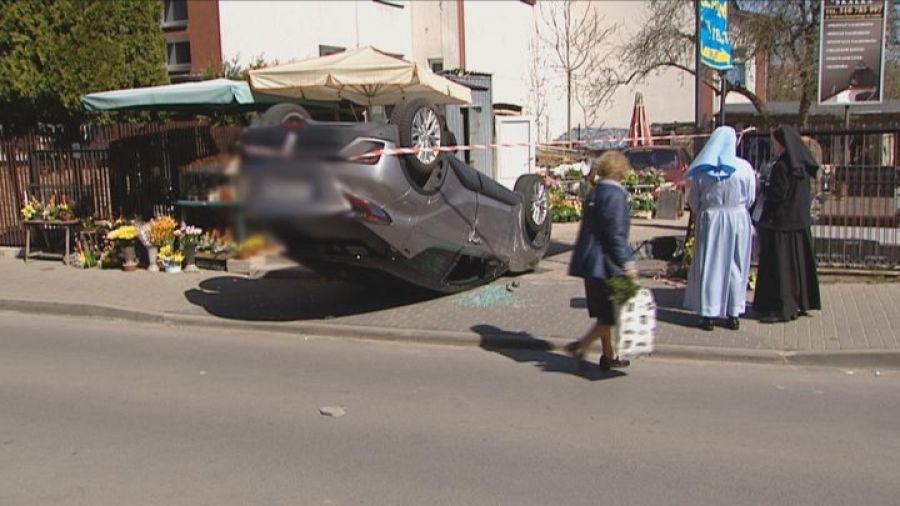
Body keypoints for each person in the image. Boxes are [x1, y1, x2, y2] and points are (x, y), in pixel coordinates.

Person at [566, 151, 637, 370]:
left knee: (604, 313)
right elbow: (615, 234)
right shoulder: (614, 195)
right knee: (609, 317)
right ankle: (580, 347)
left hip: (590, 262)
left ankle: (609, 357)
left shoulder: (596, 192)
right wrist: (628, 262)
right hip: (604, 264)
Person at [683, 127, 756, 331]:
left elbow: (694, 202)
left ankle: (708, 313)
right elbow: (751, 196)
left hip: (712, 219)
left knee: (710, 264)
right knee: (736, 264)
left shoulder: (704, 170)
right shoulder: (744, 167)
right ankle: (733, 313)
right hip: (738, 218)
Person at [753, 126, 822, 322]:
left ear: (782, 143)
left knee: (781, 270)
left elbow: (778, 195)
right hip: (799, 222)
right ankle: (800, 301)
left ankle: (781, 306)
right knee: (798, 266)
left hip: (781, 224)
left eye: (775, 142)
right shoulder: (800, 165)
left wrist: (765, 189)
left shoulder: (783, 166)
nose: (773, 146)